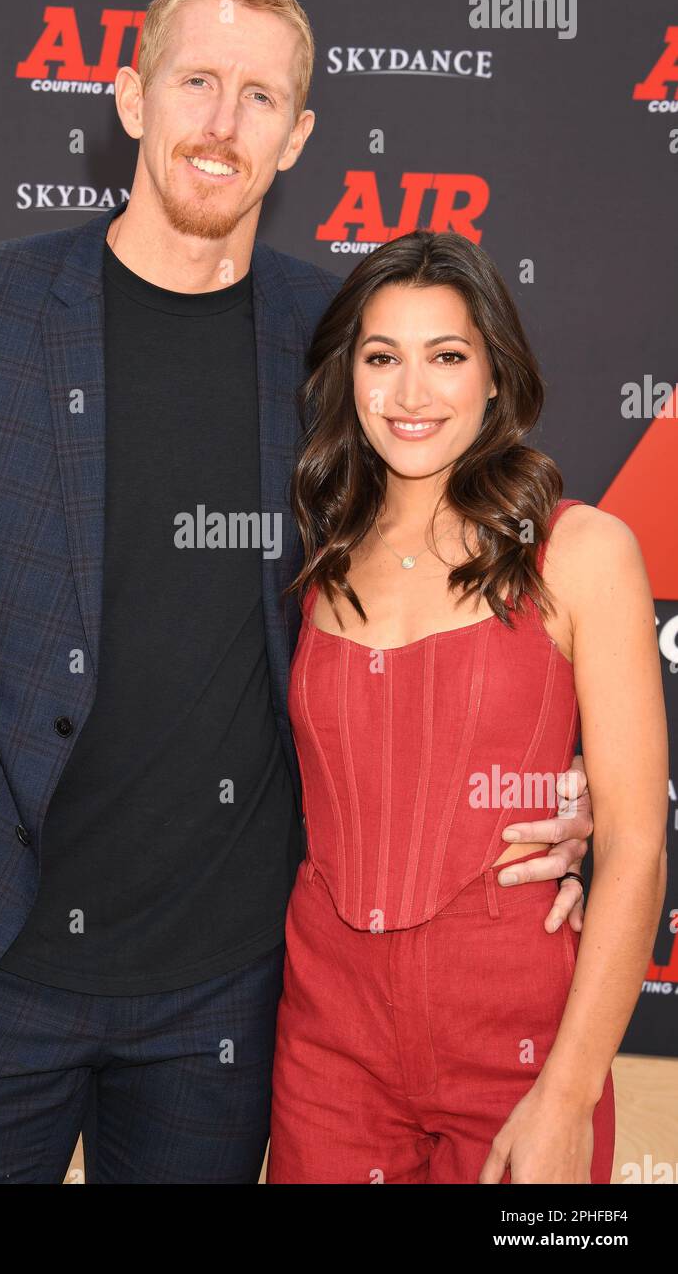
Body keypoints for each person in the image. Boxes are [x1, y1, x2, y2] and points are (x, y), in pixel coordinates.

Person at [0, 0, 596, 1184]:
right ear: (130, 97)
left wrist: (555, 786)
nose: (223, 123)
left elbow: (455, 588)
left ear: (300, 133)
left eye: (260, 97)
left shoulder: (342, 353)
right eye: (197, 83)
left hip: (225, 989)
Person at [262, 232, 668, 1183]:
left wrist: (568, 1094)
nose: (411, 395)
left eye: (446, 356)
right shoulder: (317, 562)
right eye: (381, 358)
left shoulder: (581, 552)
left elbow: (638, 846)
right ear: (347, 379)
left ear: (495, 375)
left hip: (519, 1044)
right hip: (329, 1046)